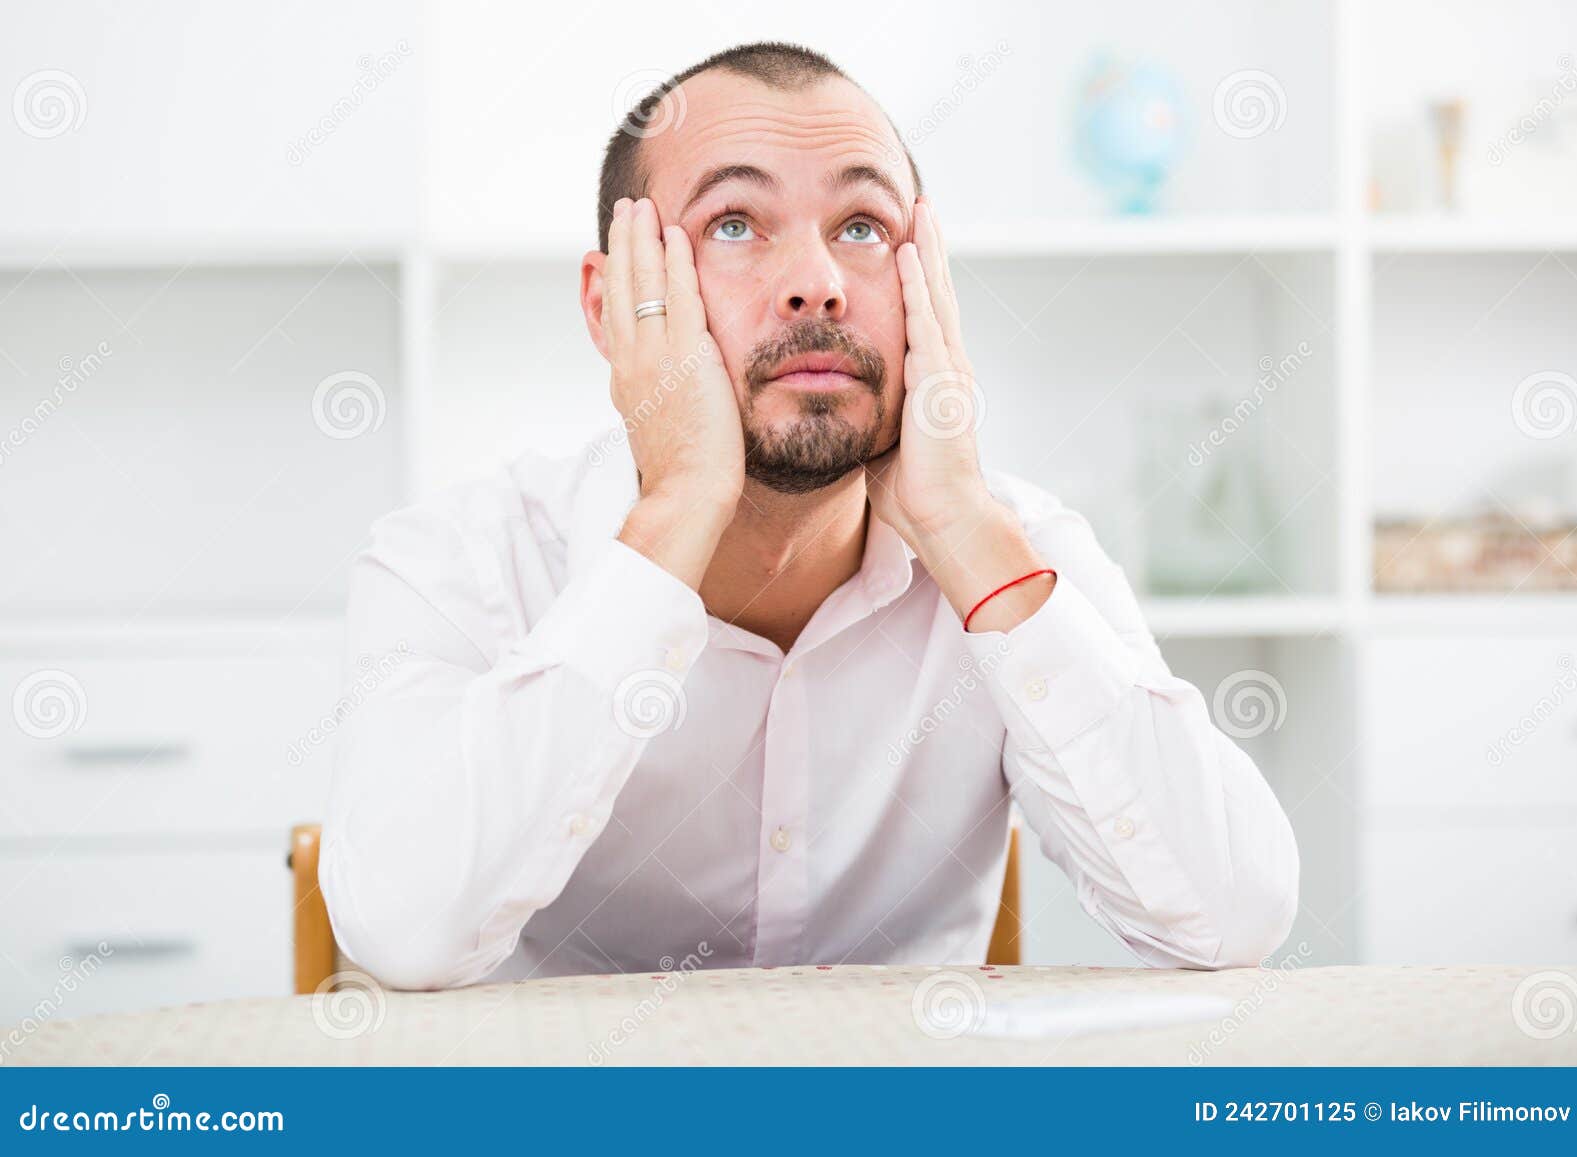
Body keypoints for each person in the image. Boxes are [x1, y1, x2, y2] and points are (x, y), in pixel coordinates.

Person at [319, 41, 1299, 990]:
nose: (818, 281)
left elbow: (1232, 917)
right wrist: (676, 511)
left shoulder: (1014, 551)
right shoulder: (458, 561)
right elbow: (406, 932)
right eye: (735, 224)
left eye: (863, 227)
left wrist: (964, 529)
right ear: (610, 303)